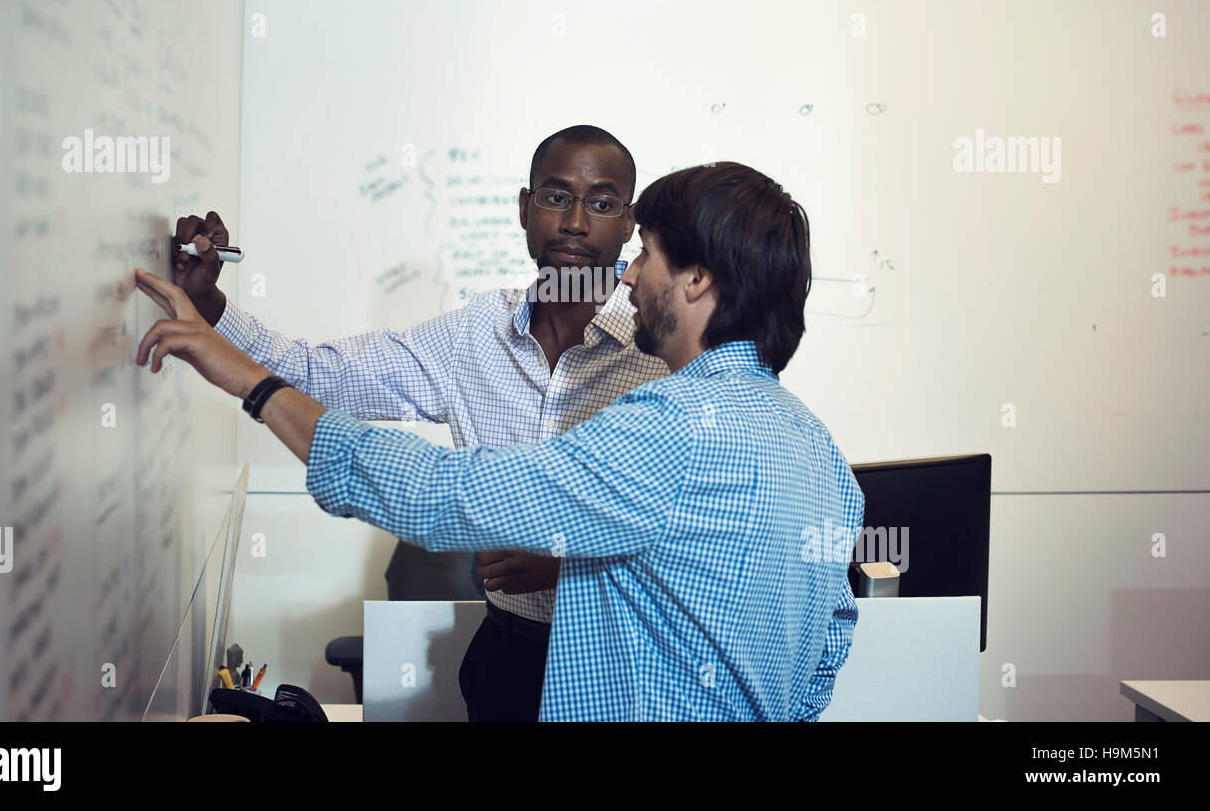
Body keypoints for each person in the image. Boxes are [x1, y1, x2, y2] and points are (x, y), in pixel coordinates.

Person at [135, 161, 865, 720]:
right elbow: (831, 636)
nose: (631, 275)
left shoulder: (667, 427)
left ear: (698, 279)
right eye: (556, 196)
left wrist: (251, 387)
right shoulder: (818, 447)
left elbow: (445, 493)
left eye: (644, 251)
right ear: (526, 208)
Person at [171, 125, 668, 720]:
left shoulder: (663, 351)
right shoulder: (476, 334)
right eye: (556, 197)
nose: (576, 223)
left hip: (627, 666)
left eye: (603, 203)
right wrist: (210, 309)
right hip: (504, 656)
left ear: (630, 222)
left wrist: (573, 566)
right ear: (524, 208)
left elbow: (710, 535)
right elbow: (322, 373)